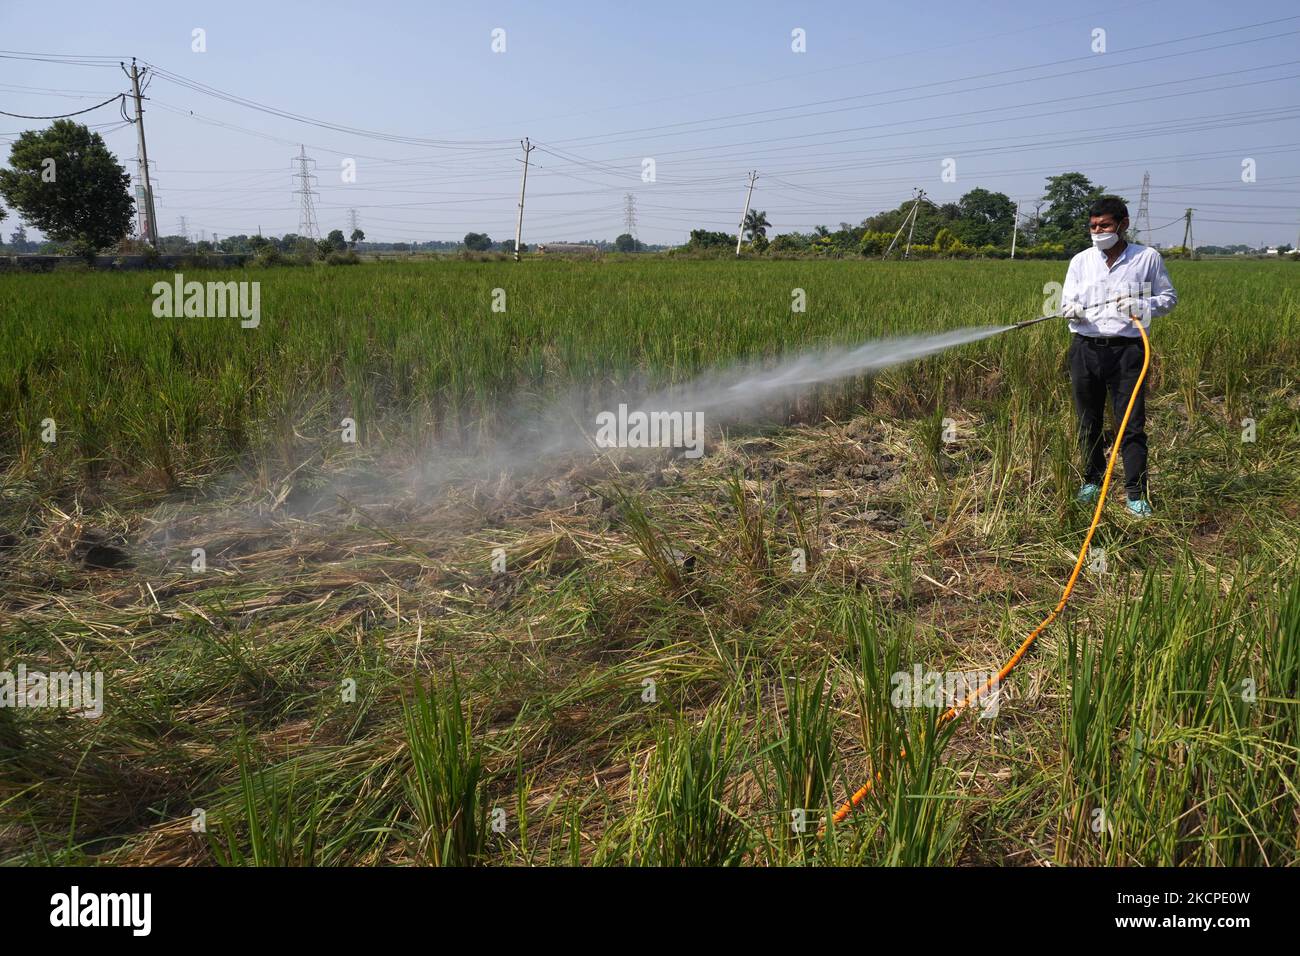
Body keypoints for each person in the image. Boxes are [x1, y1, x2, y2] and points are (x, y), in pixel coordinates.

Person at [1060, 196, 1177, 517]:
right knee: (1088, 420)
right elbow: (1066, 302)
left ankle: (1136, 492)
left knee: (1132, 424)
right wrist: (1070, 310)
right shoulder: (1081, 261)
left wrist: (1144, 306)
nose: (1098, 231)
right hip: (1085, 349)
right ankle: (1092, 481)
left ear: (1123, 224)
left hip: (1128, 352)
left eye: (1105, 225)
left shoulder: (1147, 258)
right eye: (1093, 226)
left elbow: (1169, 298)